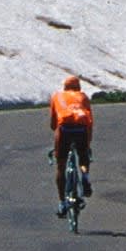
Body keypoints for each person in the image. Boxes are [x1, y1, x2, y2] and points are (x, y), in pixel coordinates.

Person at [49, 75, 95, 214]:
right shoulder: (83, 97)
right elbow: (90, 122)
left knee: (61, 166)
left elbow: (53, 124)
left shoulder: (57, 96)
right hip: (81, 129)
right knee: (83, 159)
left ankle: (62, 202)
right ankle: (85, 177)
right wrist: (87, 144)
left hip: (64, 130)